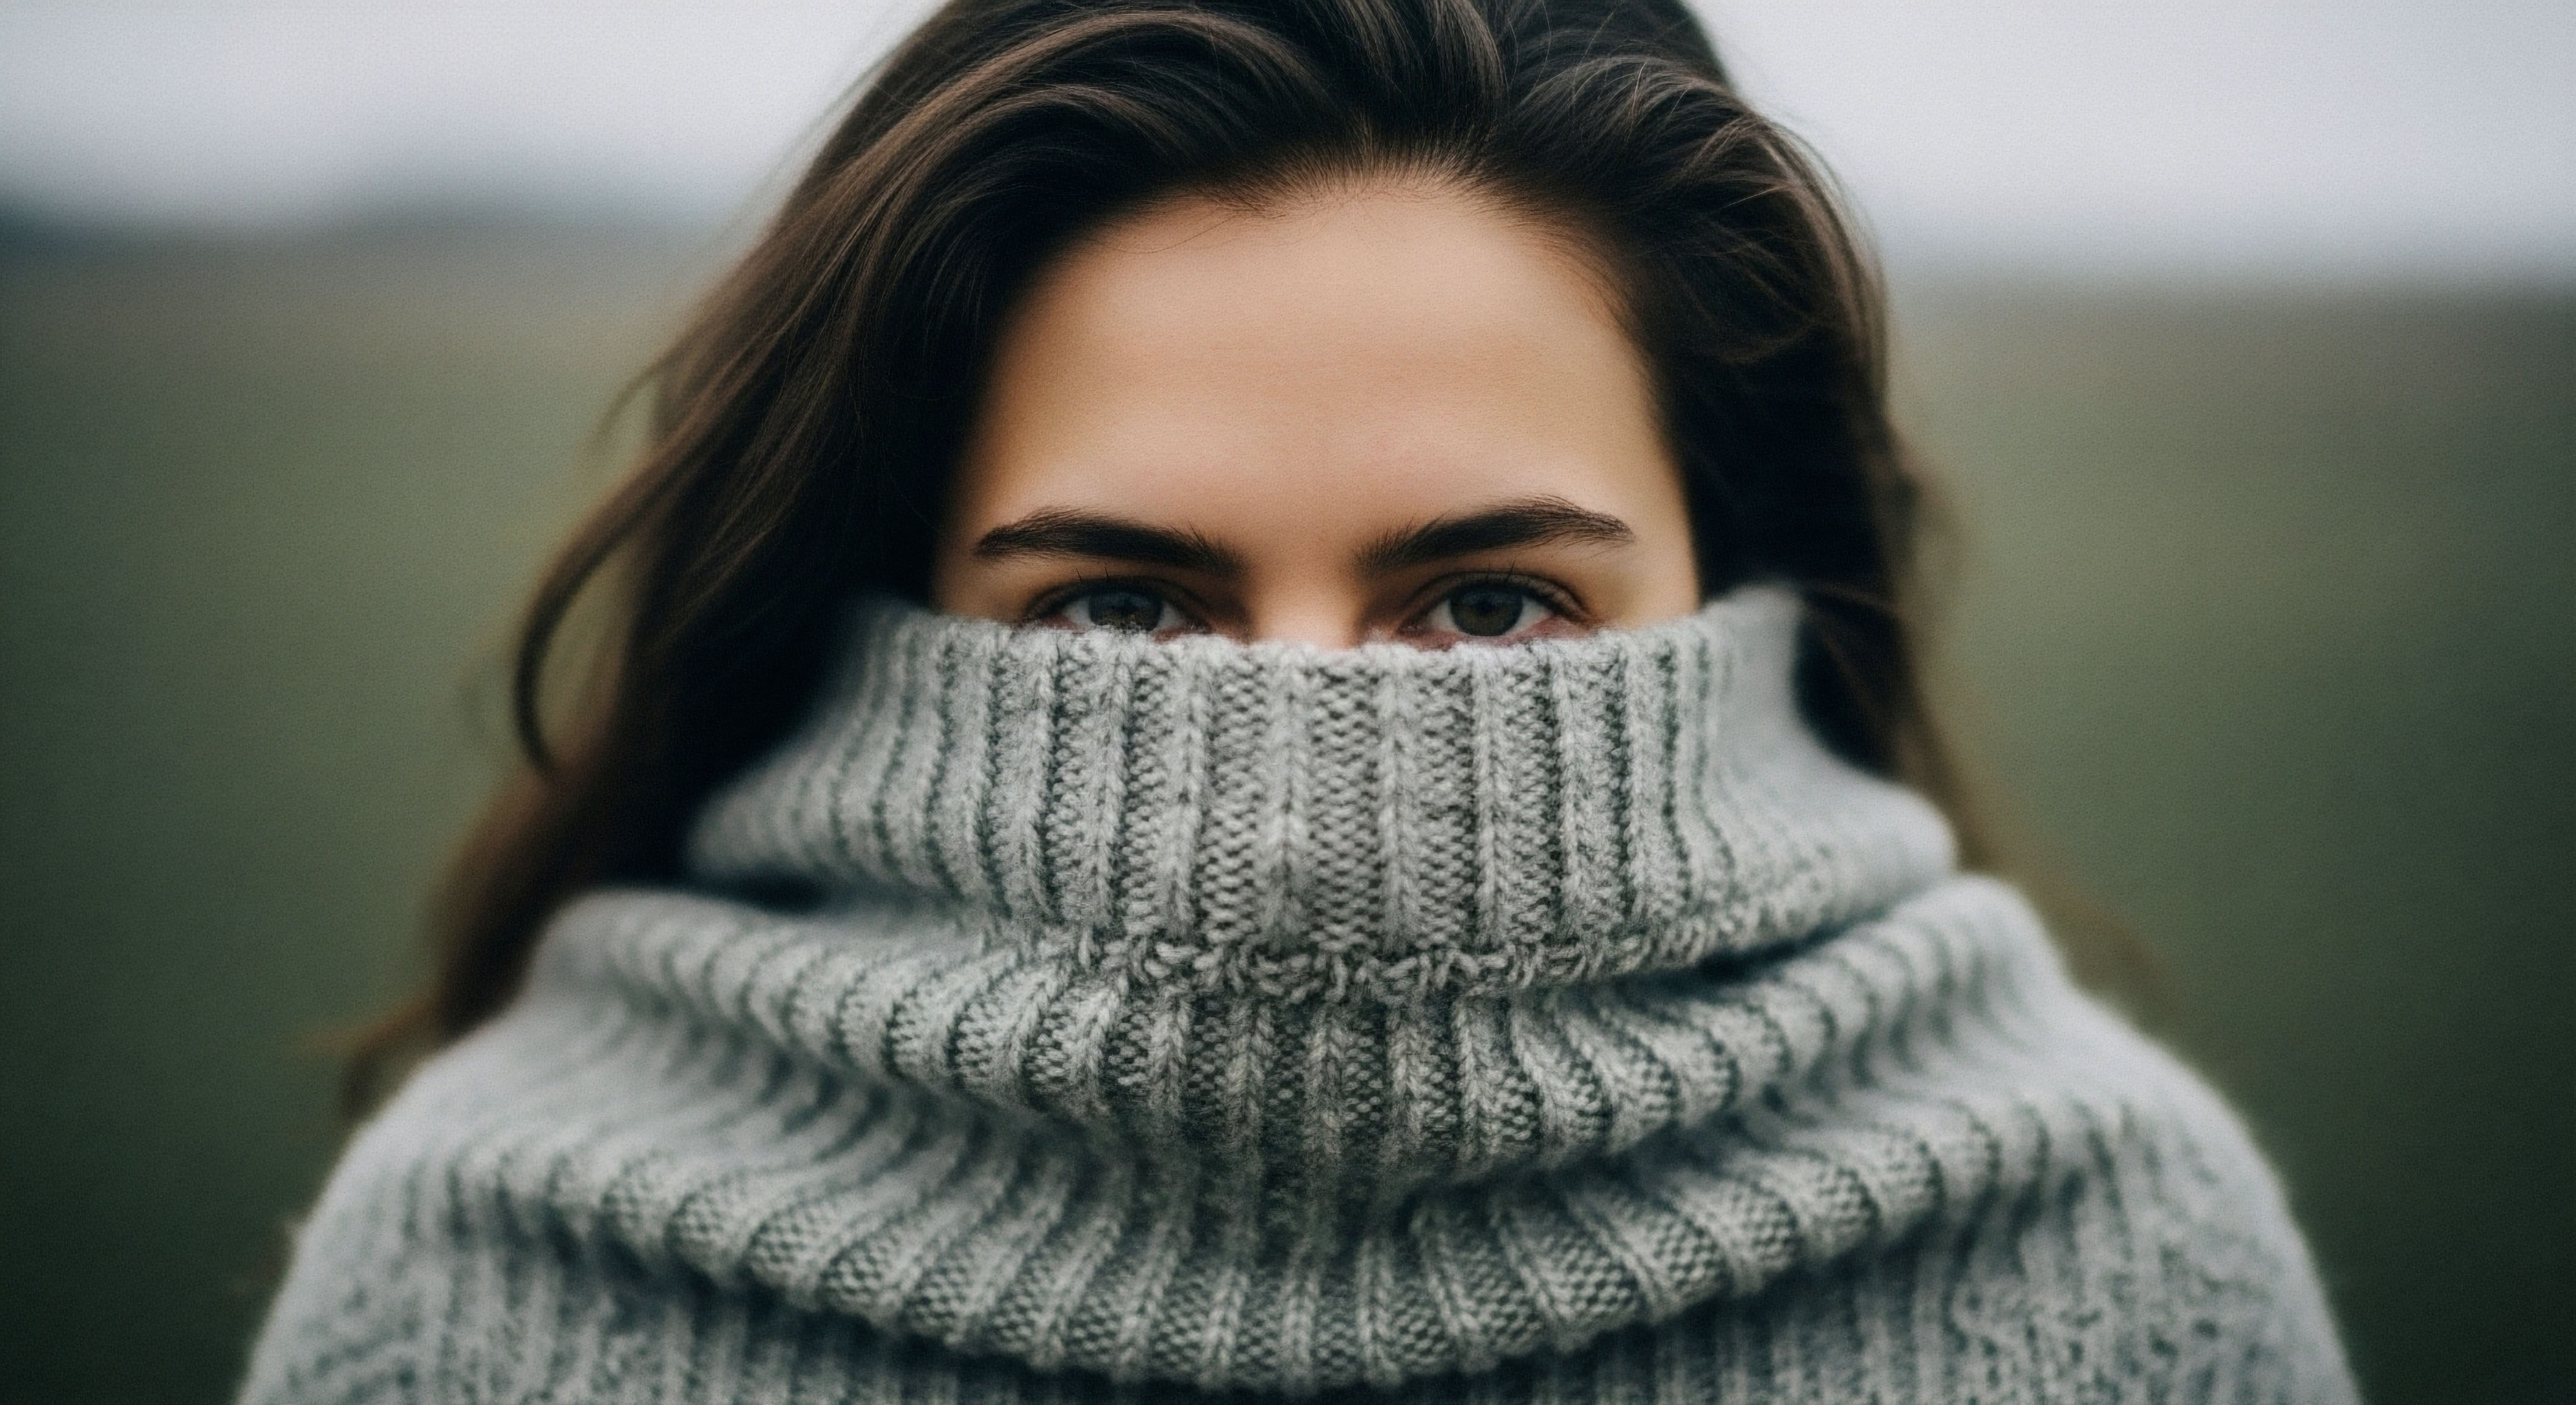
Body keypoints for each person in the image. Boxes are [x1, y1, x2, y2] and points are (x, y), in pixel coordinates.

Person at [240, 0, 2356, 1400]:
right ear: (880, 596)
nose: (1299, 773)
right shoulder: (504, 1275)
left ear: (1737, 571)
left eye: (1496, 606)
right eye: (1128, 617)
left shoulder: (2105, 1264)